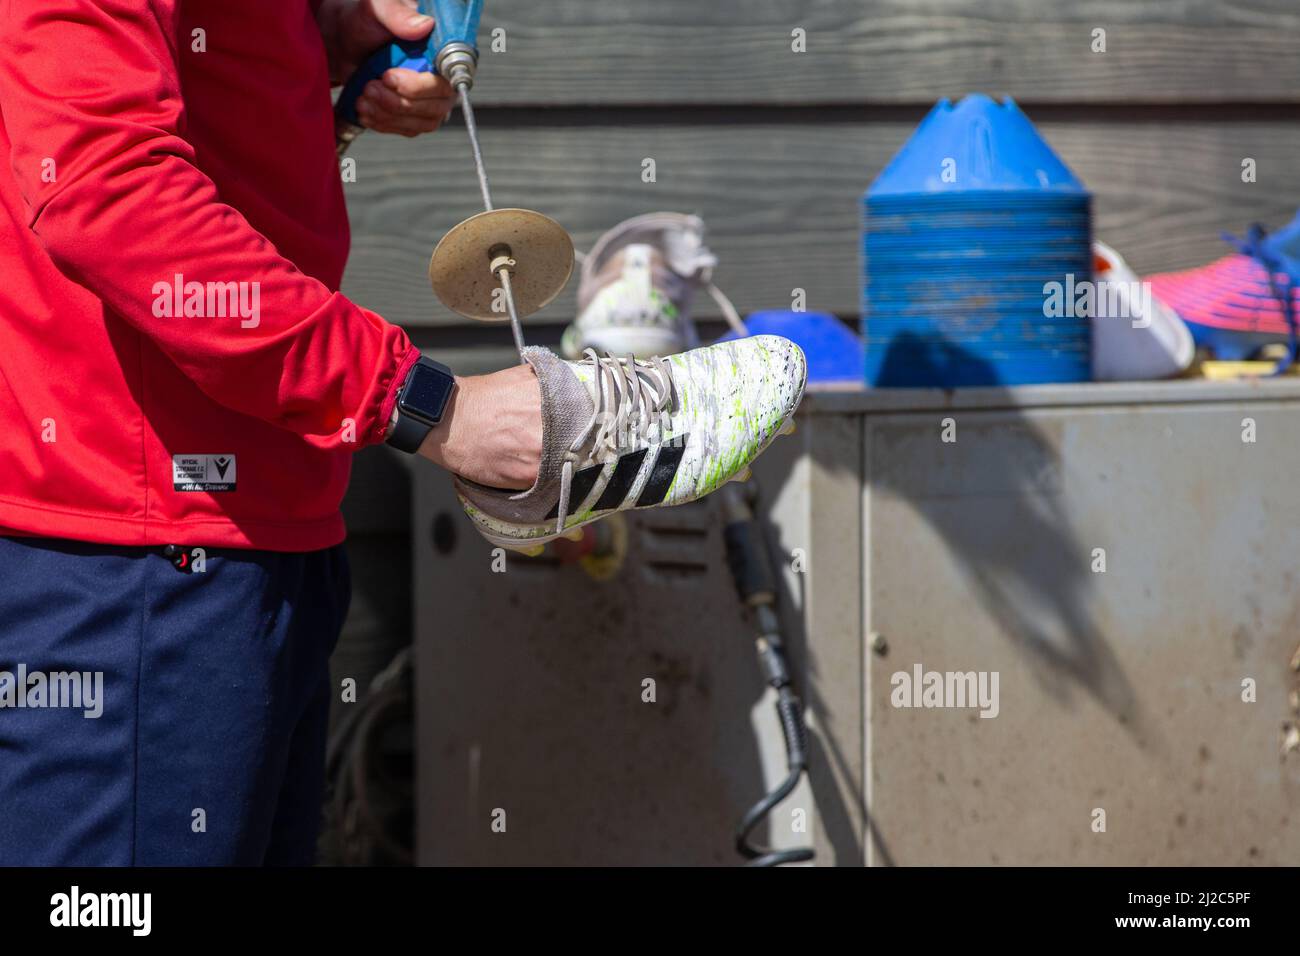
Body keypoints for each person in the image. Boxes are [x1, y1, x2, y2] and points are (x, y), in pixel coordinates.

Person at [0, 0, 803, 865]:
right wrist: (432, 408)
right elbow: (104, 190)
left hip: (269, 519)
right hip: (132, 549)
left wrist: (319, 43)